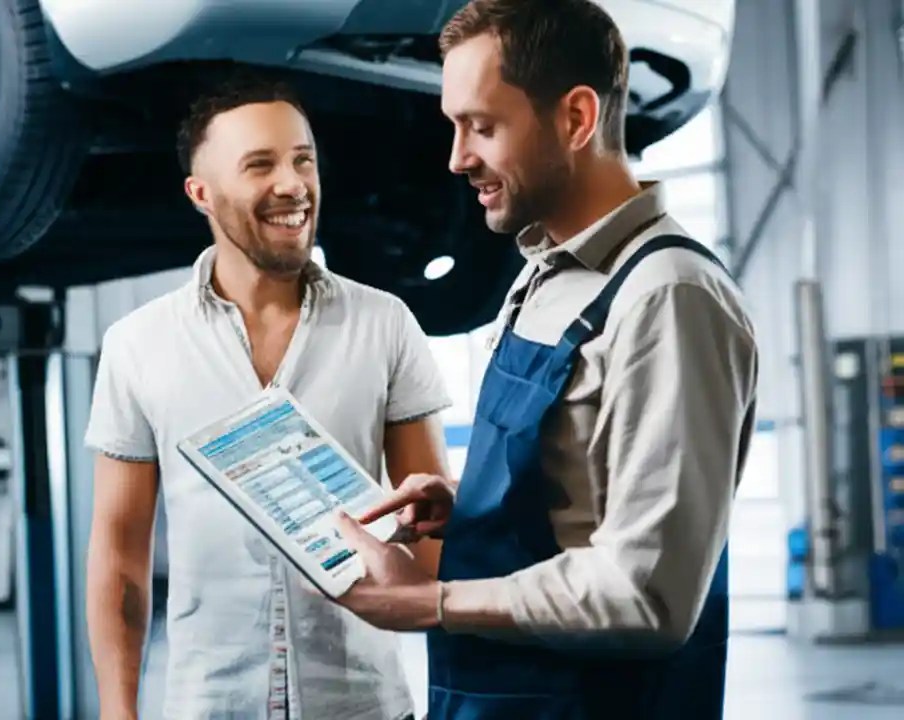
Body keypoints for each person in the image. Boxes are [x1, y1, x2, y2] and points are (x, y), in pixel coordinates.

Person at [325, 1, 760, 718]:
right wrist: (473, 511)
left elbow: (649, 594)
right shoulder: (542, 277)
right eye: (454, 126)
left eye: (482, 126)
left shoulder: (668, 297)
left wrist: (430, 601)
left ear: (576, 119)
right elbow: (578, 504)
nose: (457, 158)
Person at [83, 75, 453, 720]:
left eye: (303, 160)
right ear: (201, 193)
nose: (293, 184)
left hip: (362, 702)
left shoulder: (384, 323)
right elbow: (119, 553)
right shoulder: (137, 344)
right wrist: (120, 712)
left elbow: (431, 540)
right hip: (211, 703)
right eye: (261, 165)